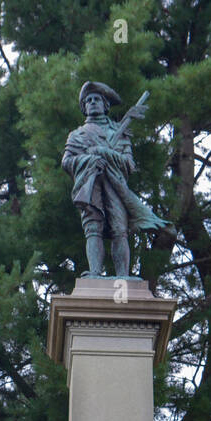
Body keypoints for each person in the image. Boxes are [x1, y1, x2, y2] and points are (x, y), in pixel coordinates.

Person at [62, 81, 171, 277]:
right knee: (92, 228)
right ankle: (95, 272)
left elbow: (129, 164)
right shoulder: (77, 135)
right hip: (91, 182)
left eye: (97, 99)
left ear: (106, 105)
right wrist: (89, 159)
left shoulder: (121, 134)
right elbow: (67, 162)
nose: (93, 102)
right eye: (89, 100)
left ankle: (123, 276)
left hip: (116, 186)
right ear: (84, 107)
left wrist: (105, 152)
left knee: (120, 230)